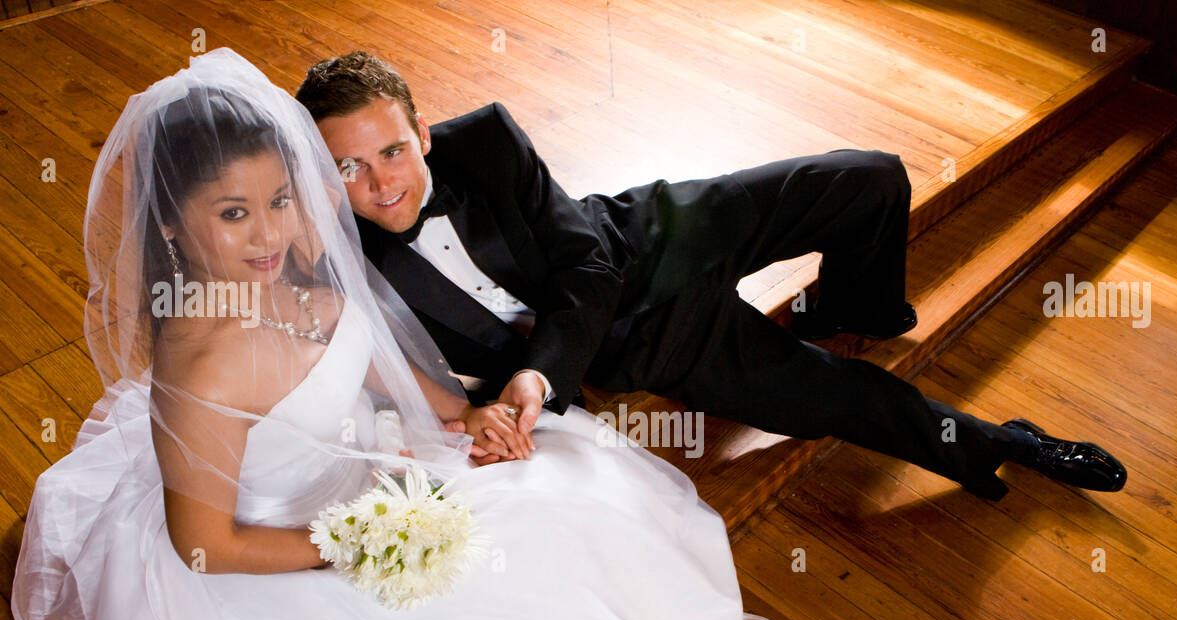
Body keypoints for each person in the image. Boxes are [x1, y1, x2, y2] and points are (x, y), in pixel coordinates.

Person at [10, 48, 829, 620]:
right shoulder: (204, 364)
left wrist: (463, 411)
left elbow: (367, 356)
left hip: (364, 478)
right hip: (265, 557)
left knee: (563, 513)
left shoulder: (305, 276)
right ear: (170, 224)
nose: (269, 235)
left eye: (282, 201)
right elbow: (203, 546)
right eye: (233, 214)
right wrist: (349, 547)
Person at [296, 51, 1127, 500]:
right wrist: (532, 389)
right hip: (642, 344)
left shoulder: (485, 137)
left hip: (648, 237)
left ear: (424, 134)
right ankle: (1007, 445)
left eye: (393, 151)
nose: (381, 184)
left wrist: (532, 376)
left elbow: (583, 259)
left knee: (868, 175)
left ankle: (859, 305)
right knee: (837, 399)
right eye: (351, 169)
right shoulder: (336, 261)